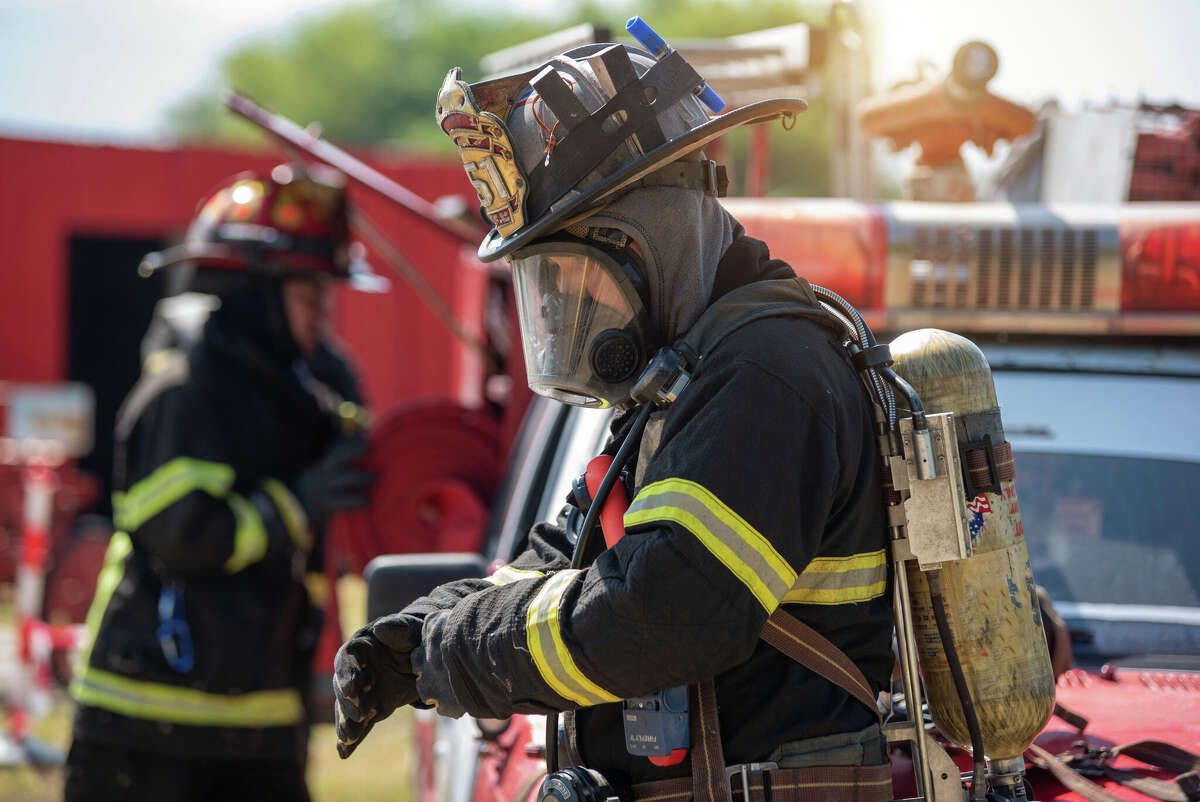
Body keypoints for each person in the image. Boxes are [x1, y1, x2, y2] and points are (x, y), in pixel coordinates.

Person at [334, 42, 895, 799]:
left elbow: (661, 614)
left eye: (568, 274)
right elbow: (565, 554)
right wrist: (421, 630)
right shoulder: (680, 384)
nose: (565, 310)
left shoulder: (764, 377)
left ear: (644, 238)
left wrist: (453, 650)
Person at [65, 163, 386, 801]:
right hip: (144, 726)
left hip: (259, 723)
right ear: (256, 297)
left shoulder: (294, 391)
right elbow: (186, 535)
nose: (324, 316)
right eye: (308, 297)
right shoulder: (185, 393)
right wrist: (297, 506)